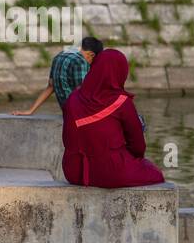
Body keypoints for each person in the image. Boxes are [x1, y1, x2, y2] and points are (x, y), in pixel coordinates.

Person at [61, 49, 164, 188]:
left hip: (74, 172)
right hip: (111, 173)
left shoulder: (72, 99)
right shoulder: (121, 102)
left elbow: (68, 139)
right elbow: (138, 146)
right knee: (154, 172)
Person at [12, 36, 103, 116]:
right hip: (79, 114)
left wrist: (30, 110)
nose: (91, 65)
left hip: (67, 112)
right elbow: (83, 91)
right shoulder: (81, 61)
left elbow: (51, 87)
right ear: (91, 55)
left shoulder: (60, 55)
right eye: (93, 62)